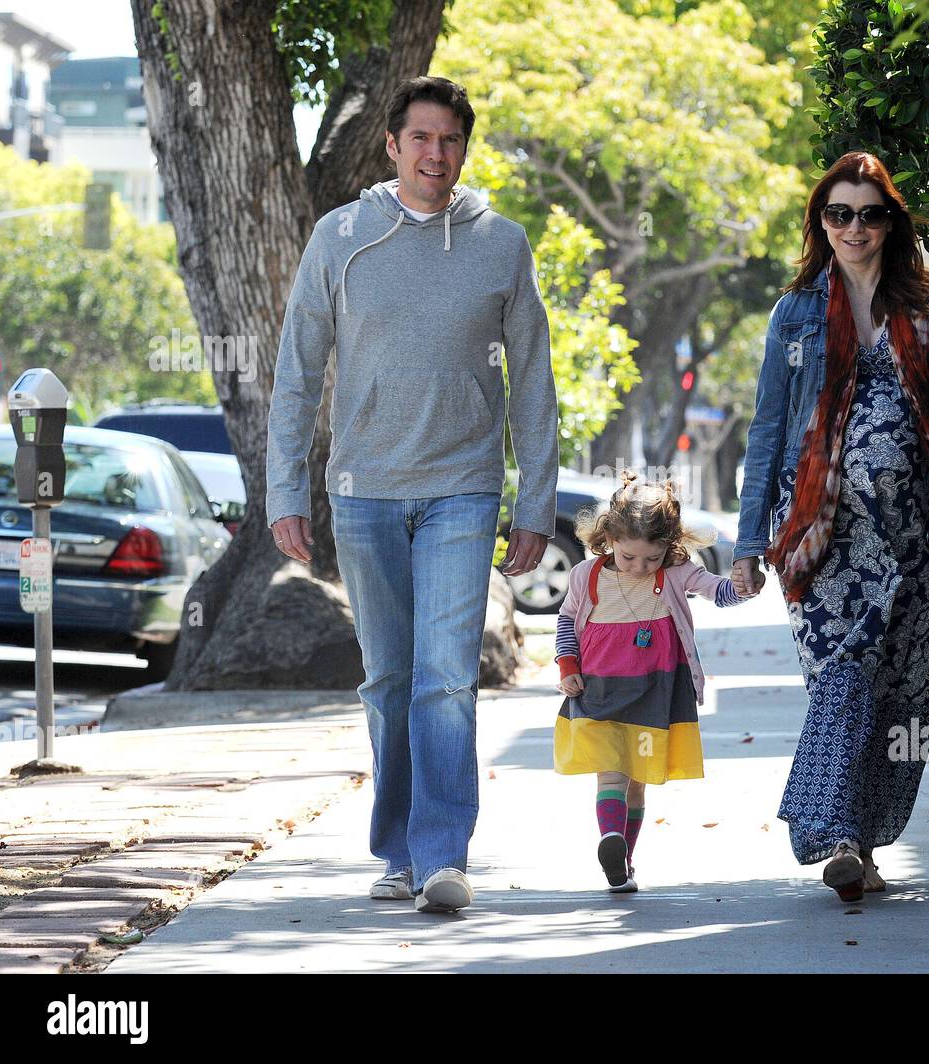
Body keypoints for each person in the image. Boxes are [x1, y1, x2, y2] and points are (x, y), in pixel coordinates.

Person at [265, 76, 559, 914]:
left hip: (463, 489)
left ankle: (440, 854)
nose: (437, 154)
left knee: (444, 678)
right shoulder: (342, 236)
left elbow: (534, 381)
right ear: (392, 146)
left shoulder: (501, 244)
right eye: (422, 138)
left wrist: (534, 502)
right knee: (389, 678)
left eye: (452, 140)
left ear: (465, 150)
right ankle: (394, 848)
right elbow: (296, 372)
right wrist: (286, 488)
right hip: (364, 493)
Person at [731, 150, 929, 903]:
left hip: (906, 539)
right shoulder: (796, 311)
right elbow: (768, 428)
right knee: (842, 677)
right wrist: (745, 546)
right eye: (839, 214)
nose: (854, 227)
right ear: (820, 223)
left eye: (869, 213)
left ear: (891, 220)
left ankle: (861, 845)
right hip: (818, 535)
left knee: (900, 693)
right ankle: (833, 831)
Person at [553, 471, 763, 891]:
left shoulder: (675, 571)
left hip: (655, 691)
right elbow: (566, 621)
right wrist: (567, 666)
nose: (641, 567)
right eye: (629, 557)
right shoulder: (586, 575)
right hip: (598, 690)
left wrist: (743, 585)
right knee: (610, 773)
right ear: (608, 538)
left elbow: (717, 592)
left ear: (670, 546)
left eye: (652, 558)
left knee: (637, 784)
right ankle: (611, 840)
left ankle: (623, 859)